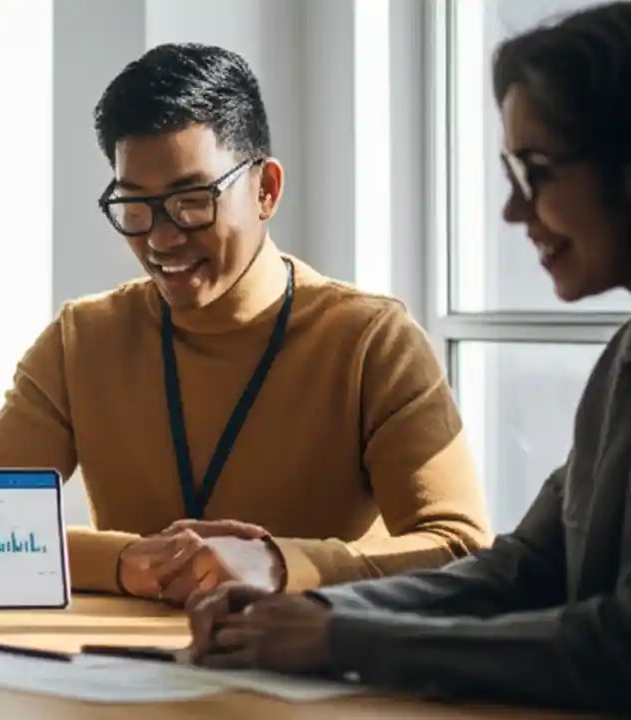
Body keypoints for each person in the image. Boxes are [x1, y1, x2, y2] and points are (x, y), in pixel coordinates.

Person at [185, 3, 631, 712]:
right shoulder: (623, 361)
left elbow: (617, 649)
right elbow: (526, 569)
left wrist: (342, 642)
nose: (514, 213)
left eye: (539, 170)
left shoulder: (368, 333)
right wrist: (323, 613)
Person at [0, 43, 491, 603]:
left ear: (265, 189)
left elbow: (459, 550)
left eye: (193, 202)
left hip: (314, 671)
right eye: (135, 207)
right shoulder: (84, 340)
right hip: (122, 670)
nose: (161, 238)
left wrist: (280, 564)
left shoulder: (371, 341)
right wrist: (122, 561)